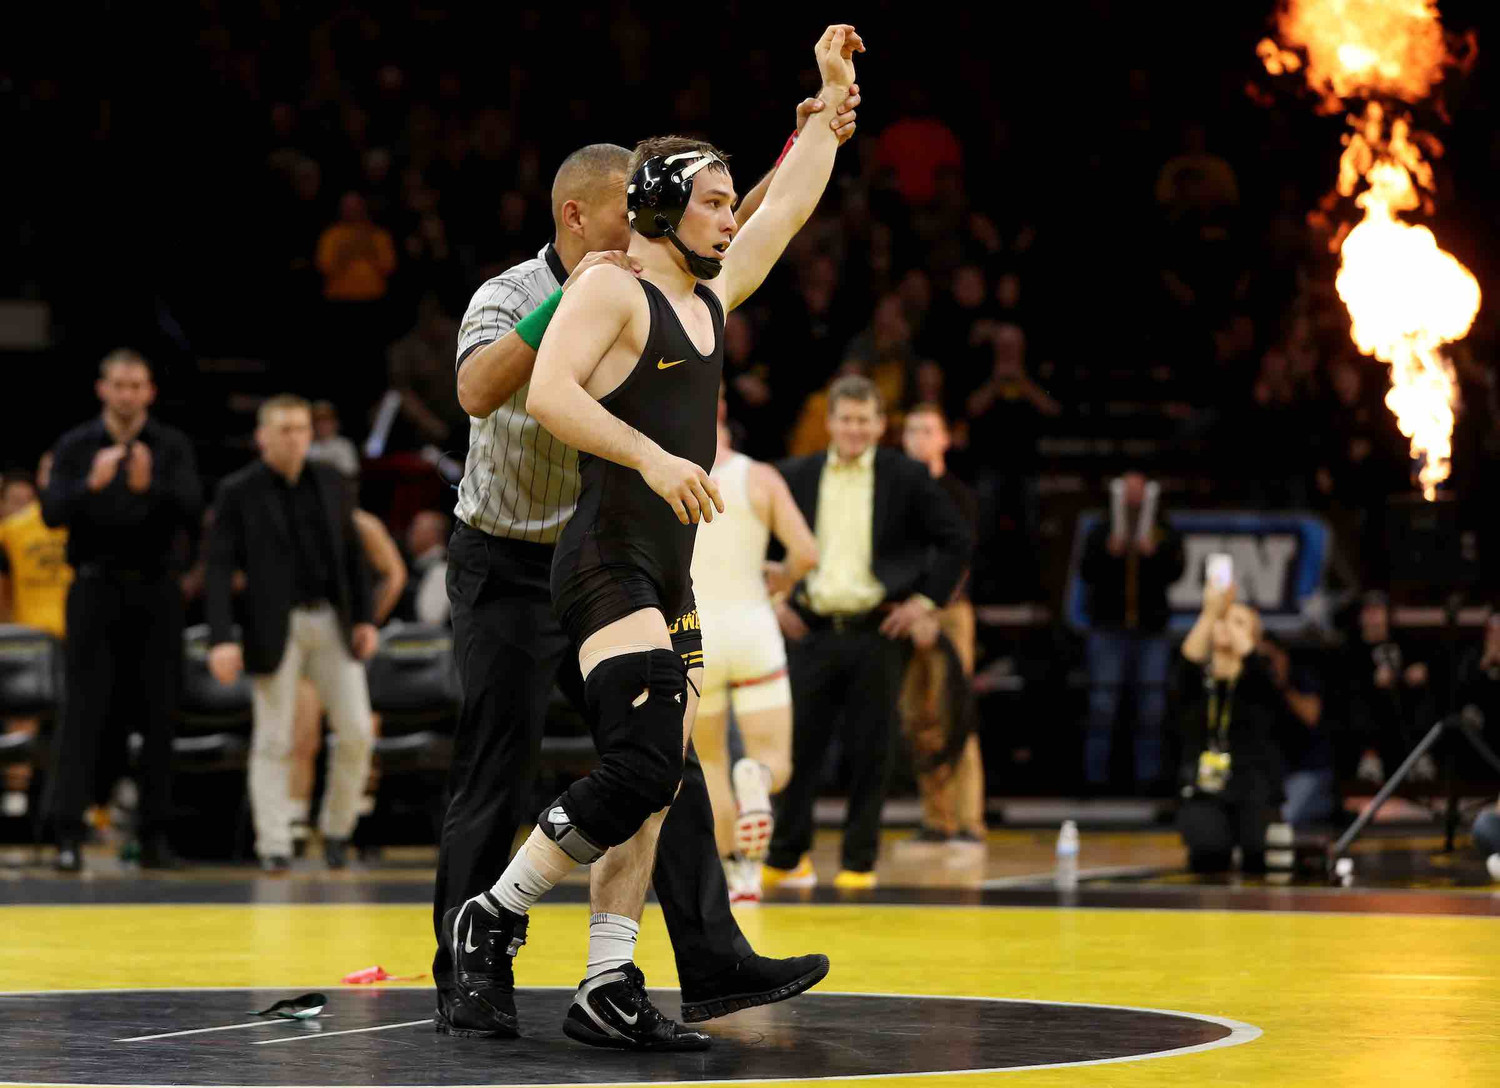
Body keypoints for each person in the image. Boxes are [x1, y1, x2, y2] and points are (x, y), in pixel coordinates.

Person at [436, 73, 861, 1050]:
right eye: (711, 201)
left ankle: (606, 980)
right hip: (587, 554)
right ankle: (490, 914)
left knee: (660, 781)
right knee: (635, 759)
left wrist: (830, 112)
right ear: (660, 209)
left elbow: (784, 210)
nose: (729, 216)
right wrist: (654, 457)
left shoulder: (707, 294)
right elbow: (542, 394)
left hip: (663, 568)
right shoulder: (604, 286)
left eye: (727, 201)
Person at [765, 375, 972, 888]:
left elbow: (956, 539)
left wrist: (924, 602)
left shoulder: (906, 476)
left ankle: (859, 862)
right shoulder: (796, 475)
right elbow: (752, 537)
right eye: (846, 419)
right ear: (830, 422)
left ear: (881, 425)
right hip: (810, 629)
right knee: (798, 748)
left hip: (877, 630)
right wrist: (773, 601)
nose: (854, 429)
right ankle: (787, 856)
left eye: (864, 420)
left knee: (871, 751)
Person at [40, 351, 201, 871]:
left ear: (150, 391)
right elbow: (50, 512)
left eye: (136, 385)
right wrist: (89, 483)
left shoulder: (171, 445)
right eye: (119, 385)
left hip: (156, 590)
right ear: (102, 389)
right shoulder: (76, 445)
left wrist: (150, 488)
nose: (127, 394)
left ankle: (155, 838)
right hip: (94, 588)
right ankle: (67, 834)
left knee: (159, 712)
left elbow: (194, 510)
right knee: (82, 712)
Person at [204, 395, 378, 873]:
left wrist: (365, 618)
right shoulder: (237, 490)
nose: (295, 438)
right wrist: (221, 637)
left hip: (330, 619)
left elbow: (353, 556)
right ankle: (274, 841)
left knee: (357, 731)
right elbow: (218, 568)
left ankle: (338, 830)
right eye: (284, 429)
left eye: (301, 429)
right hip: (273, 624)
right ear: (262, 437)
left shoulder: (332, 480)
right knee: (274, 737)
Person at [690, 410, 819, 902]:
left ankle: (736, 875)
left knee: (711, 764)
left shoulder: (668, 472)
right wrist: (781, 580)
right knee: (773, 761)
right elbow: (806, 552)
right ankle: (758, 780)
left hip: (698, 634)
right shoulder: (760, 477)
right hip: (753, 631)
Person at [287, 506, 407, 857]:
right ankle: (294, 824)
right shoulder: (290, 517)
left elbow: (394, 574)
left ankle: (352, 823)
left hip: (351, 643)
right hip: (306, 636)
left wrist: (368, 621)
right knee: (302, 731)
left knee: (361, 732)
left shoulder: (360, 523)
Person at [899, 403, 984, 844]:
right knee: (918, 717)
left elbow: (962, 558)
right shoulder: (896, 491)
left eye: (928, 430)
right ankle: (937, 818)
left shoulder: (959, 494)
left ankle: (969, 820)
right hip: (906, 614)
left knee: (956, 713)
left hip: (949, 613)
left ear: (945, 439)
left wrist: (931, 608)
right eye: (913, 430)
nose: (919, 438)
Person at [1176, 585, 1298, 873]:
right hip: (1206, 787)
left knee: (1259, 854)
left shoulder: (1260, 680)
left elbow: (1262, 680)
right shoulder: (1198, 681)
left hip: (1254, 787)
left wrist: (1233, 622)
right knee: (1208, 852)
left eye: (1238, 623)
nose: (1227, 626)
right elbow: (1186, 663)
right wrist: (1210, 613)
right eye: (1223, 620)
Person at [1077, 471, 1186, 793]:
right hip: (1108, 628)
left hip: (1151, 630)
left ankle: (1148, 779)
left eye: (1139, 489)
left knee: (1151, 706)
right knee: (1102, 704)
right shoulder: (1101, 528)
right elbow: (1086, 570)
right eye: (1128, 489)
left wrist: (1155, 554)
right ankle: (1094, 779)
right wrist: (1108, 552)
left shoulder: (1163, 529)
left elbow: (1177, 569)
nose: (1134, 495)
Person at [0, 453, 72, 817]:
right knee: (22, 719)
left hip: (77, 637)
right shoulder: (12, 530)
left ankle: (81, 805)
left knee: (79, 724)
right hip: (29, 639)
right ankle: (17, 801)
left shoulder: (85, 523)